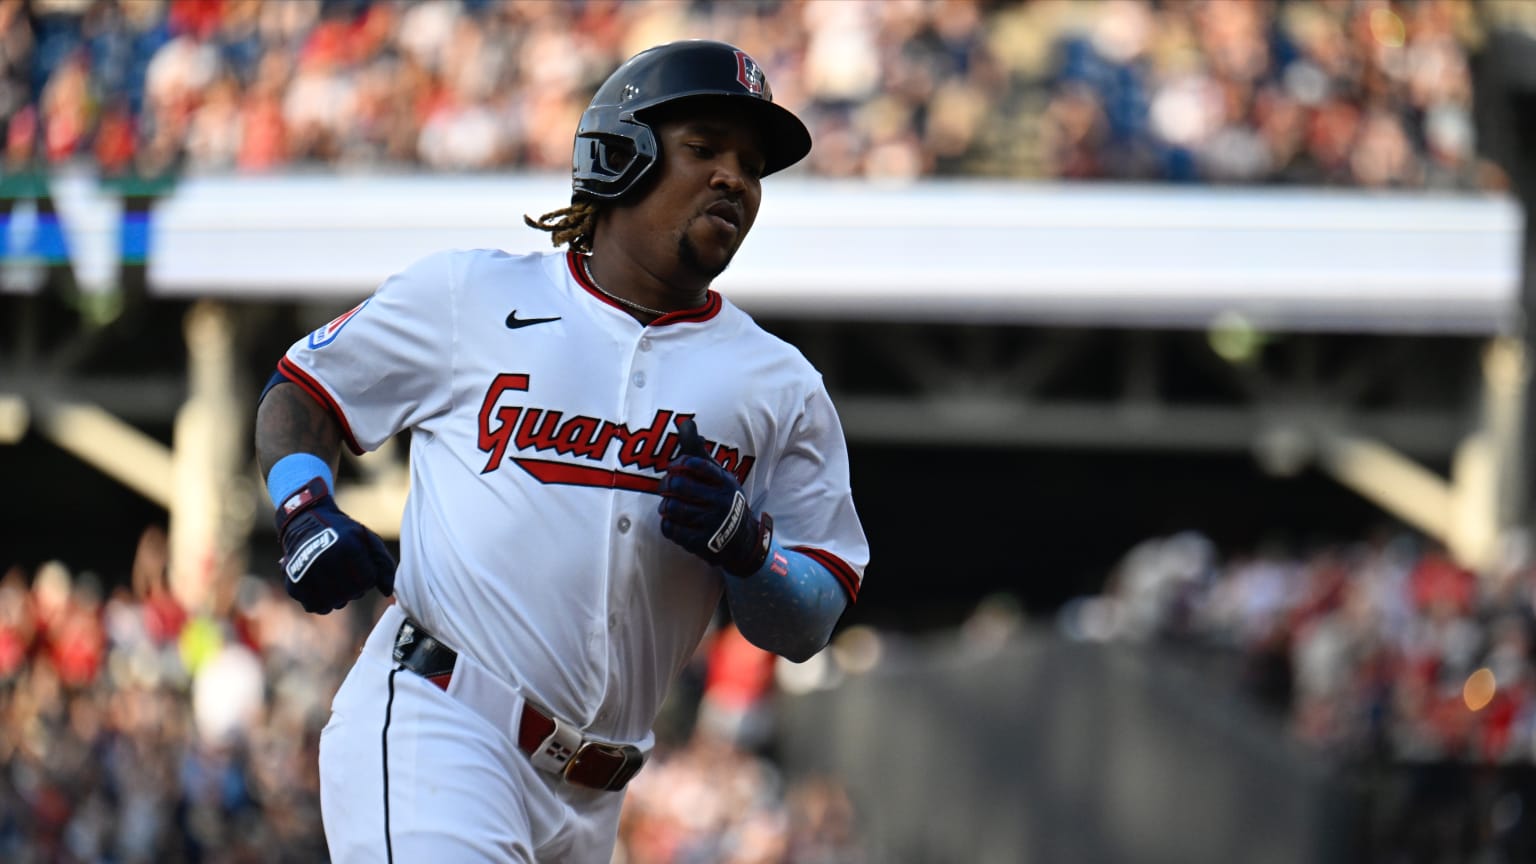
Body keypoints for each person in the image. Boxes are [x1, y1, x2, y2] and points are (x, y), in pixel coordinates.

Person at [252, 39, 869, 862]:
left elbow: (814, 612)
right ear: (621, 154)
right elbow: (305, 391)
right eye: (704, 149)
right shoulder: (474, 295)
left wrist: (752, 552)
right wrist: (302, 509)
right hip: (443, 726)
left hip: (596, 800)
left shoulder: (778, 382)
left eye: (752, 165)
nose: (736, 179)